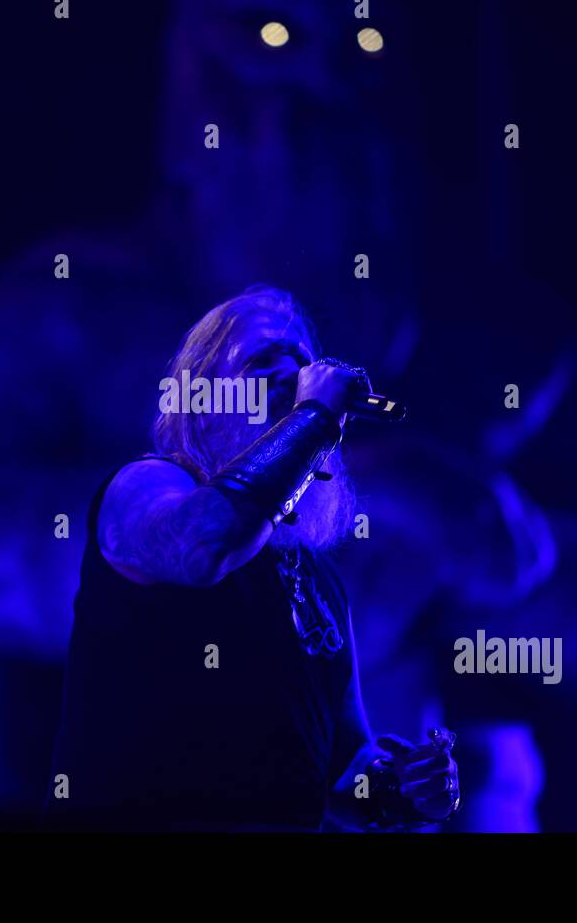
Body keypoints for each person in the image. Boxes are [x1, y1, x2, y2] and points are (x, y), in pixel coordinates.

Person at [46, 286, 459, 831]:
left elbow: (342, 766)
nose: (291, 376)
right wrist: (314, 415)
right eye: (263, 363)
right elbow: (205, 546)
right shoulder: (145, 485)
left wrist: (401, 788)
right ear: (204, 406)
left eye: (302, 364)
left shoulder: (321, 580)